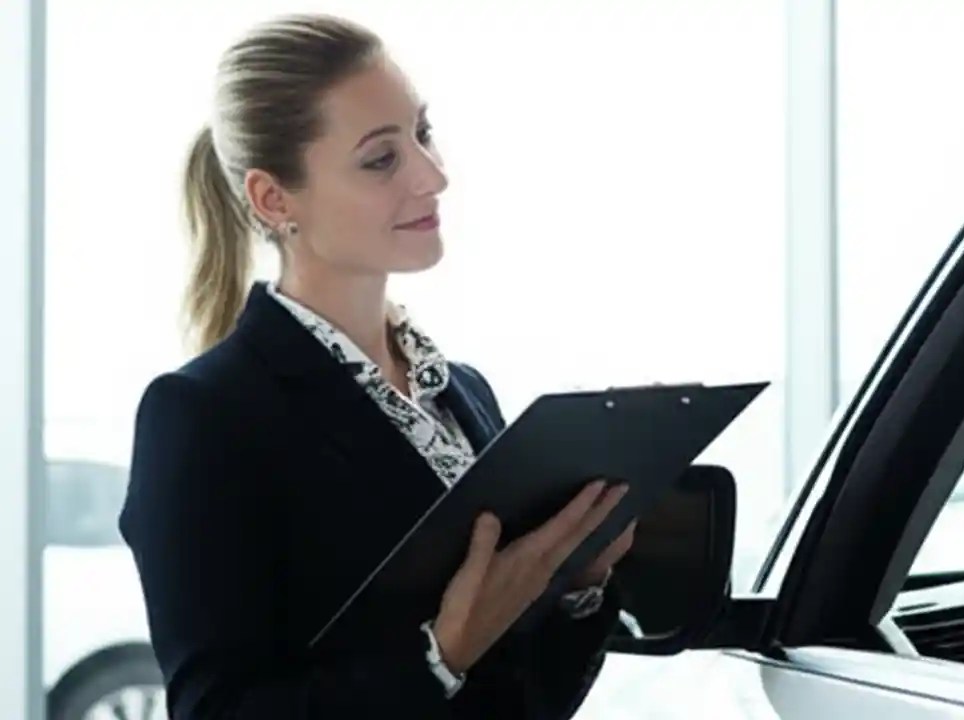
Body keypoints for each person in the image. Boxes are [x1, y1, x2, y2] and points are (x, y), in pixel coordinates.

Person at [118, 12, 636, 720]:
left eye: (422, 134)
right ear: (274, 199)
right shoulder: (205, 415)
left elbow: (523, 700)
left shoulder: (463, 394)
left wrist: (580, 583)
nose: (434, 175)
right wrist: (440, 653)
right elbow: (217, 710)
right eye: (380, 159)